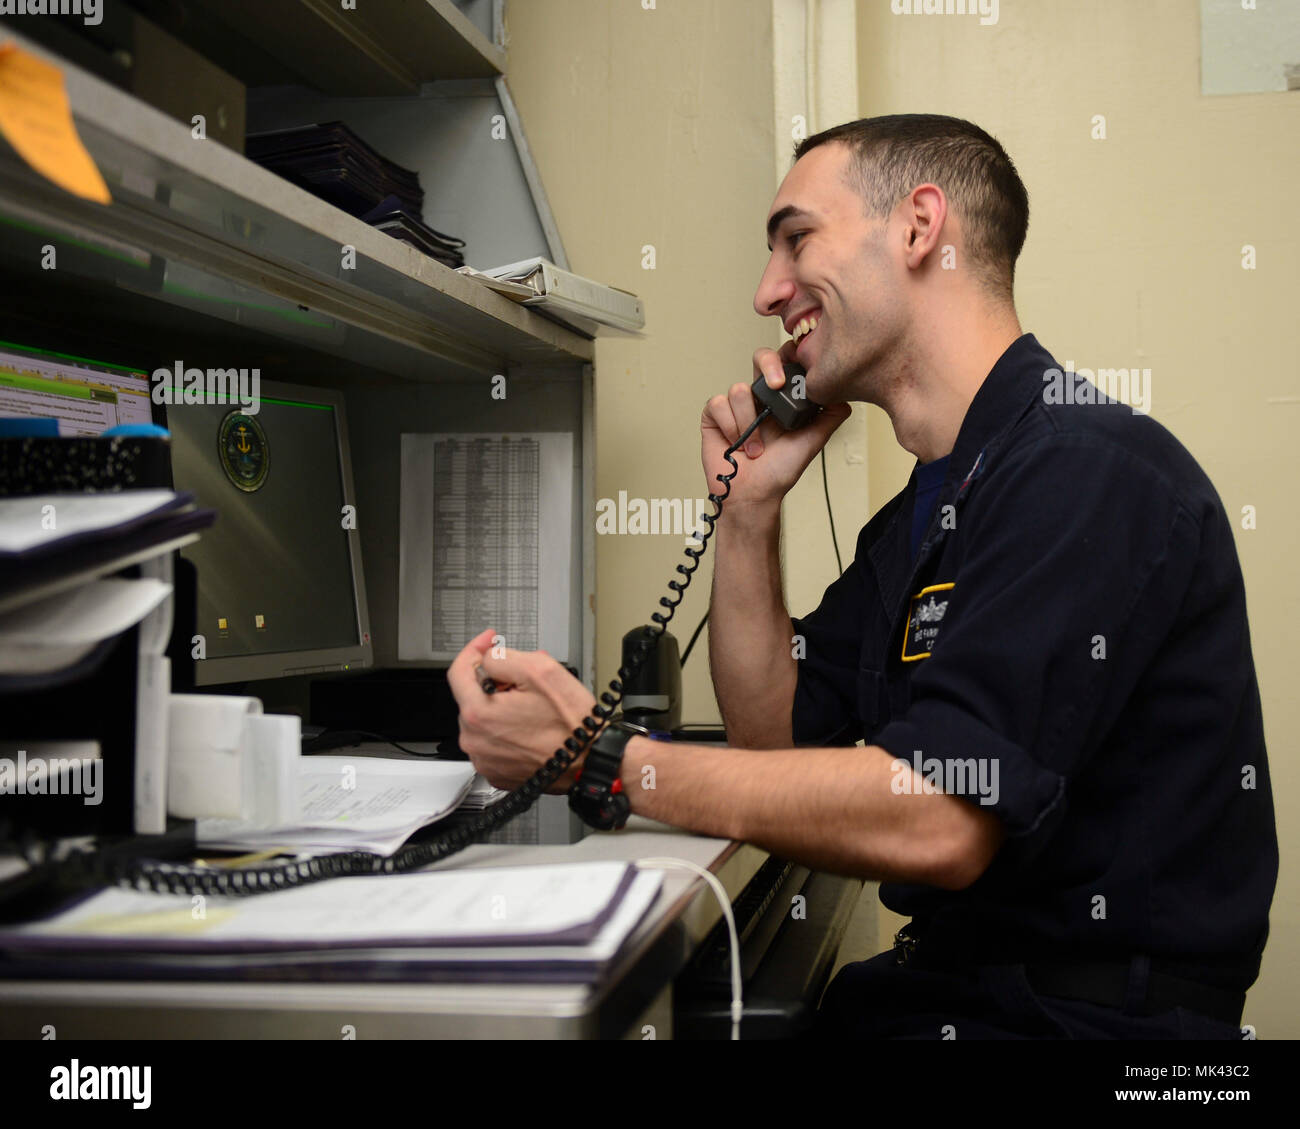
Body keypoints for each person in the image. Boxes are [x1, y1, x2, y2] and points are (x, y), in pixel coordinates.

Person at [447, 114, 1277, 1039]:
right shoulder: (936, 507)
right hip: (961, 997)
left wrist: (607, 760)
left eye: (797, 239)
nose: (768, 292)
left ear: (921, 228)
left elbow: (938, 819)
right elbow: (775, 742)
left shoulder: (1084, 470)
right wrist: (749, 509)